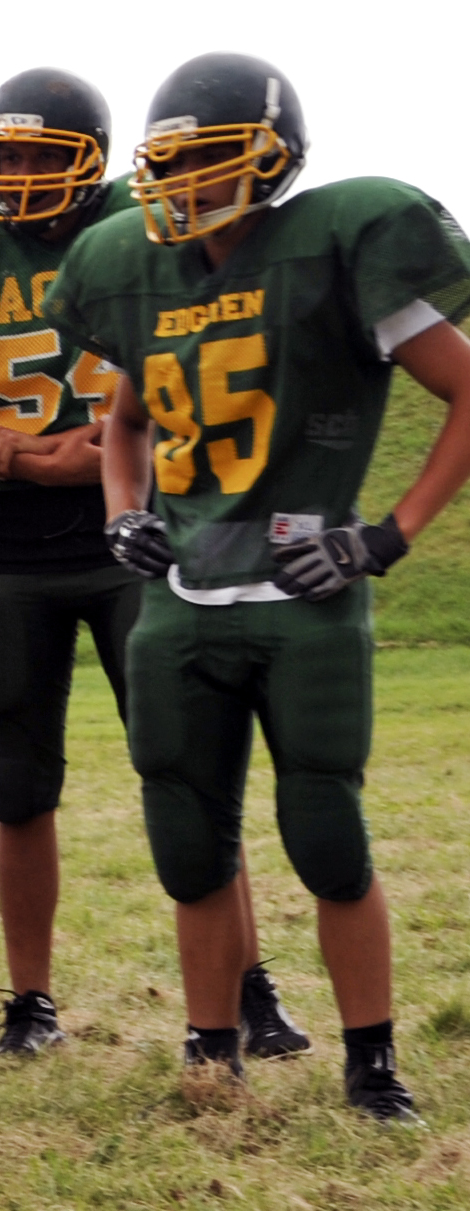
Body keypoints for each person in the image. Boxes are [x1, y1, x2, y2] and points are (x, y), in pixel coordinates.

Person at [47, 53, 470, 1115]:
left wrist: (387, 536)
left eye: (210, 158)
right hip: (181, 600)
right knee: (188, 844)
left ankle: (372, 1063)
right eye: (170, 164)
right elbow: (124, 423)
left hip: (304, 595)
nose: (184, 183)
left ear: (273, 155)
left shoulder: (335, 245)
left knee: (327, 838)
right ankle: (211, 1057)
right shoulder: (136, 270)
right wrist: (123, 513)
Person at [0, 68, 304, 1058]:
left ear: (95, 163)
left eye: (45, 156)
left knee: (189, 767)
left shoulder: (150, 221)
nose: (22, 175)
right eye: (7, 156)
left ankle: (247, 988)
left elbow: (201, 377)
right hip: (10, 543)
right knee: (16, 782)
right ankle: (31, 1006)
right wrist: (36, 456)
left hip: (137, 529)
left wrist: (83, 457)